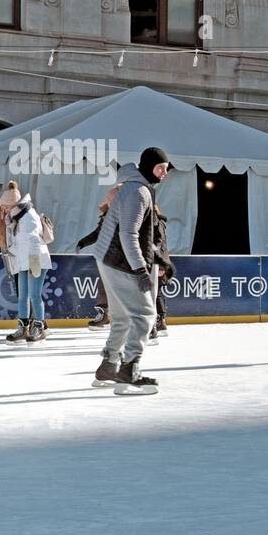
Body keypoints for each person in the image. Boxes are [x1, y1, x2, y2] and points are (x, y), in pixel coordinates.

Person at [90, 147, 173, 393]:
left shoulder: (133, 187)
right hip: (119, 260)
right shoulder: (138, 192)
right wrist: (140, 270)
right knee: (145, 315)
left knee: (124, 316)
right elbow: (128, 233)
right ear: (149, 167)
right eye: (161, 169)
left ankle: (109, 364)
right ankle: (129, 368)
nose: (164, 174)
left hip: (108, 257)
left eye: (166, 170)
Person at [5, 189, 53, 344]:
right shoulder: (16, 219)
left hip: (35, 260)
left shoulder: (29, 215)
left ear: (13, 205)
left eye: (5, 206)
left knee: (34, 295)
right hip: (24, 261)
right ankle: (23, 328)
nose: (4, 209)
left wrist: (32, 262)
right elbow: (18, 244)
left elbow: (32, 242)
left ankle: (39, 327)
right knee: (22, 296)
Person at [76, 184, 121, 329]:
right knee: (103, 285)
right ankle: (104, 314)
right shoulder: (108, 215)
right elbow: (98, 233)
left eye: (111, 198)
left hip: (121, 257)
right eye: (108, 197)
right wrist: (83, 242)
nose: (107, 200)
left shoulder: (127, 214)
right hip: (107, 256)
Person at [0, 182, 24, 339]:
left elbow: (20, 243)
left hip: (23, 262)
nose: (2, 211)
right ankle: (35, 324)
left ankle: (31, 324)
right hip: (18, 261)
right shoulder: (10, 217)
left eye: (4, 208)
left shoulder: (18, 218)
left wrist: (8, 250)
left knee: (25, 294)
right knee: (24, 293)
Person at [147, 206, 175, 344]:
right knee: (156, 293)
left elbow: (160, 245)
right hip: (157, 261)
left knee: (154, 294)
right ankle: (160, 322)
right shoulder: (158, 223)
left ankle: (157, 323)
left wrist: (161, 264)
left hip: (156, 262)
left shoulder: (156, 223)